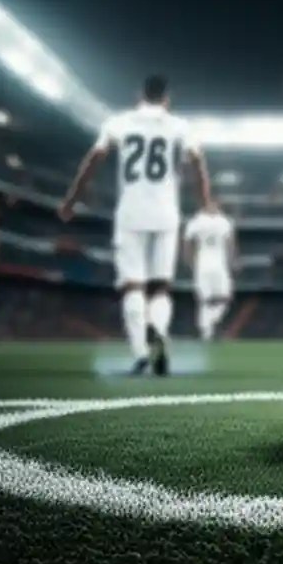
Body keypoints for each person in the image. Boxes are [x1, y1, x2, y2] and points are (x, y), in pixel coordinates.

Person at [59, 74, 211, 375]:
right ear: (167, 98)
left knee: (132, 286)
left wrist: (71, 200)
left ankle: (141, 351)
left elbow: (94, 158)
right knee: (161, 287)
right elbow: (197, 163)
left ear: (139, 95)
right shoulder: (180, 126)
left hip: (130, 213)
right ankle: (159, 329)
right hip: (167, 214)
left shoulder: (119, 122)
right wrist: (205, 202)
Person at [183, 202, 236, 341]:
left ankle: (209, 326)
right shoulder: (202, 221)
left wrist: (188, 260)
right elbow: (187, 242)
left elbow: (187, 242)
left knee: (222, 297)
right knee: (207, 300)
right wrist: (189, 260)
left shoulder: (221, 221)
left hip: (214, 264)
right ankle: (207, 331)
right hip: (206, 264)